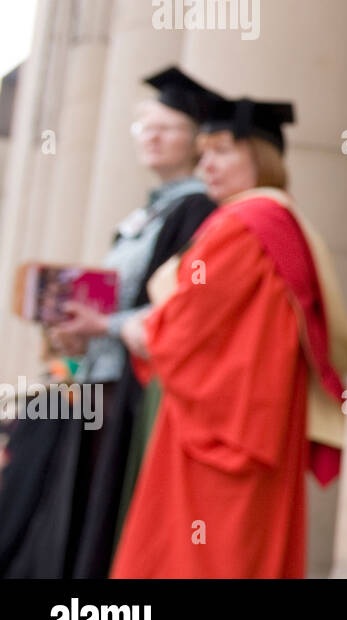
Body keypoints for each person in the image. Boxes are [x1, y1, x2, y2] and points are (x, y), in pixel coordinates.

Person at [109, 69, 347, 578]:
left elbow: (184, 329)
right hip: (259, 424)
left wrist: (138, 331)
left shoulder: (241, 226)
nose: (208, 166)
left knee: (201, 557)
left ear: (259, 157)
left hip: (221, 430)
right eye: (203, 154)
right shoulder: (281, 224)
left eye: (222, 151)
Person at [0, 69, 217, 578]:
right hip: (98, 381)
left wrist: (105, 324)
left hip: (139, 387)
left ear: (195, 139)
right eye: (145, 126)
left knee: (109, 514)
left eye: (168, 127)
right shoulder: (143, 216)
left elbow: (188, 306)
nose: (153, 136)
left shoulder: (197, 210)